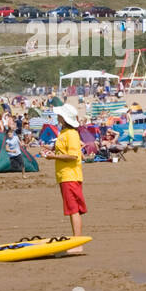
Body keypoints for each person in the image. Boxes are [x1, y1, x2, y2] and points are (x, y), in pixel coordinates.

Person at [41, 103, 86, 250]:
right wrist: (49, 149)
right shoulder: (64, 132)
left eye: (60, 115)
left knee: (73, 209)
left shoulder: (71, 134)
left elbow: (73, 156)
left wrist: (53, 157)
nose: (57, 116)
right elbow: (62, 148)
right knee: (72, 209)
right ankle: (76, 242)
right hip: (64, 175)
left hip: (70, 175)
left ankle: (77, 244)